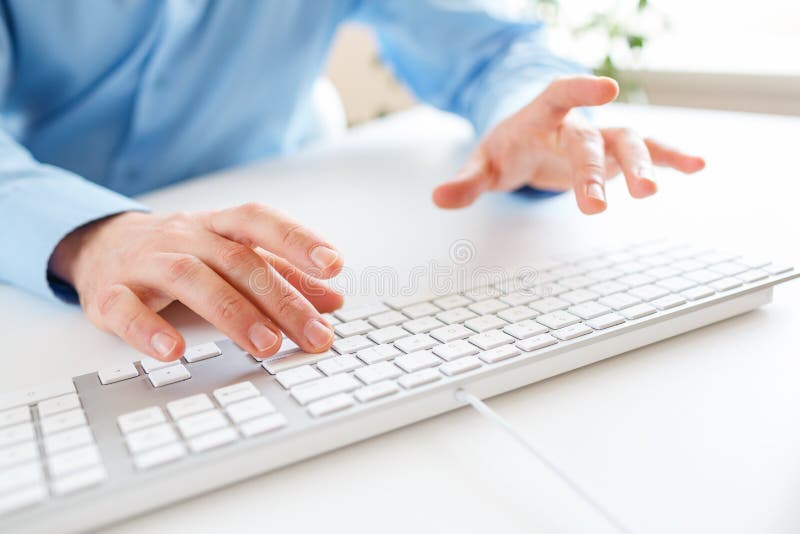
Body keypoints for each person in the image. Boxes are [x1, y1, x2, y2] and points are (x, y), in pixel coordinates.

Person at [0, 1, 704, 363]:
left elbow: (490, 47)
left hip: (298, 219)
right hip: (43, 275)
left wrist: (524, 108)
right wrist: (87, 236)